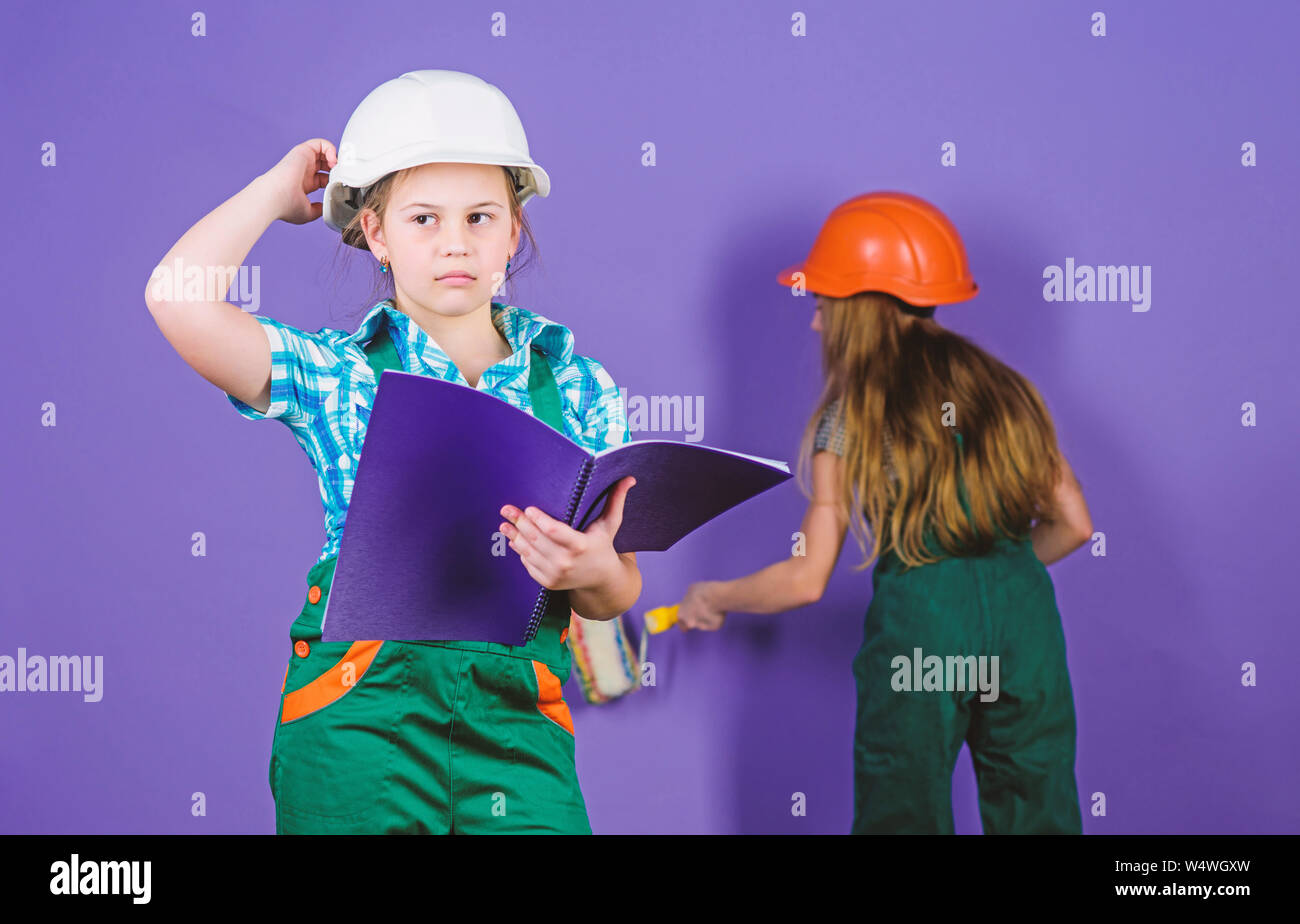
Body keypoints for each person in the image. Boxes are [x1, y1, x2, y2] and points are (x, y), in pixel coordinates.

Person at [144, 69, 641, 834]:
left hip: (519, 732)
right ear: (374, 233)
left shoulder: (578, 386)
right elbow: (176, 299)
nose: (455, 243)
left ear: (515, 230)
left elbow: (616, 590)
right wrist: (276, 194)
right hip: (359, 720)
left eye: (480, 217)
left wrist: (593, 571)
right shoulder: (338, 375)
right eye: (422, 220)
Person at [674, 191, 1092, 834]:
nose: (815, 324)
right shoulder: (1008, 392)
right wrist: (995, 576)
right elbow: (1076, 524)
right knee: (1040, 815)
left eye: (822, 304)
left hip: (922, 627)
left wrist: (717, 596)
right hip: (1026, 626)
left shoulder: (851, 415)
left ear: (862, 305)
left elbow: (806, 579)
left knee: (903, 816)